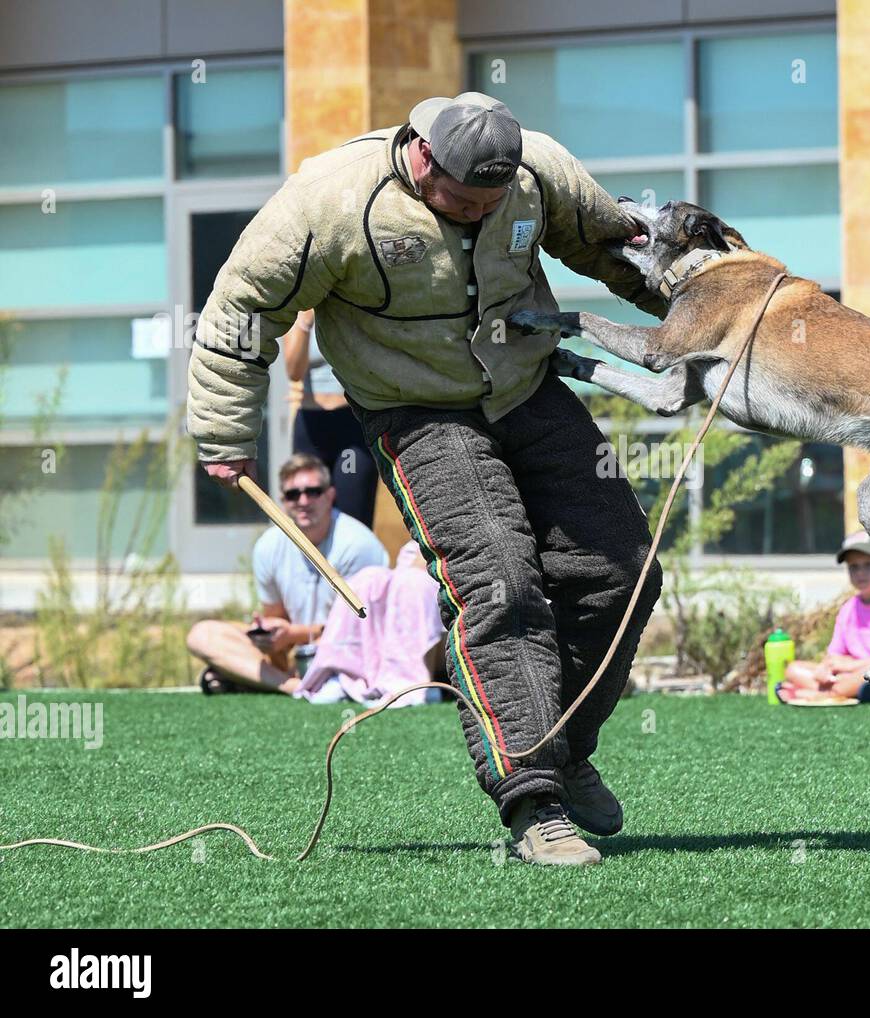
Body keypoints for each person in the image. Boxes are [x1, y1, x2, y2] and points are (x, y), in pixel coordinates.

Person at [185, 91, 666, 866]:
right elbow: (242, 308)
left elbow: (611, 245)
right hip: (416, 414)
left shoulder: (537, 171)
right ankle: (535, 801)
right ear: (421, 153)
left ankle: (565, 747)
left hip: (527, 389)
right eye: (463, 200)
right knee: (499, 583)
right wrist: (222, 430)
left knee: (625, 570)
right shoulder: (330, 199)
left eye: (491, 201)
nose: (478, 213)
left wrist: (699, 309)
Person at [186, 453, 389, 694]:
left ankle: (247, 679)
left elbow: (362, 627)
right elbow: (277, 620)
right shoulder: (268, 547)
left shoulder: (357, 544)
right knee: (202, 634)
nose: (303, 500)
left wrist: (293, 634)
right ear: (283, 502)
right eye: (293, 494)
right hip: (297, 654)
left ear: (330, 495)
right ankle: (295, 686)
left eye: (313, 491)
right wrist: (268, 633)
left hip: (351, 646)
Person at [294, 539, 449, 707]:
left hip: (450, 573)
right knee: (369, 578)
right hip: (417, 554)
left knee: (413, 582)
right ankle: (346, 676)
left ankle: (411, 685)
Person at [779, 531, 870, 703]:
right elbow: (834, 656)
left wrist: (852, 665)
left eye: (869, 565)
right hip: (852, 676)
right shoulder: (848, 608)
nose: (860, 572)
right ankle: (843, 692)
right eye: (853, 567)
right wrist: (825, 668)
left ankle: (823, 694)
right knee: (793, 669)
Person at [283, 308, 379, 528]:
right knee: (307, 515)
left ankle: (352, 564)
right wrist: (305, 322)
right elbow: (294, 371)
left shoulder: (354, 300)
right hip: (311, 428)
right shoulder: (299, 309)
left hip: (351, 424)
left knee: (352, 516)